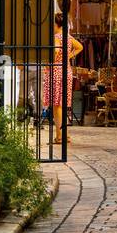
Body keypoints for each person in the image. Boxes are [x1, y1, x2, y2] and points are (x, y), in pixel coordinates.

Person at [42, 10, 83, 144]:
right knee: (61, 104)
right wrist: (68, 56)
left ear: (56, 24)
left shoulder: (56, 37)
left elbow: (55, 51)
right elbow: (80, 47)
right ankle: (64, 135)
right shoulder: (68, 37)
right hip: (66, 70)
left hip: (56, 71)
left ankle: (60, 136)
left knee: (57, 105)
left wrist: (49, 63)